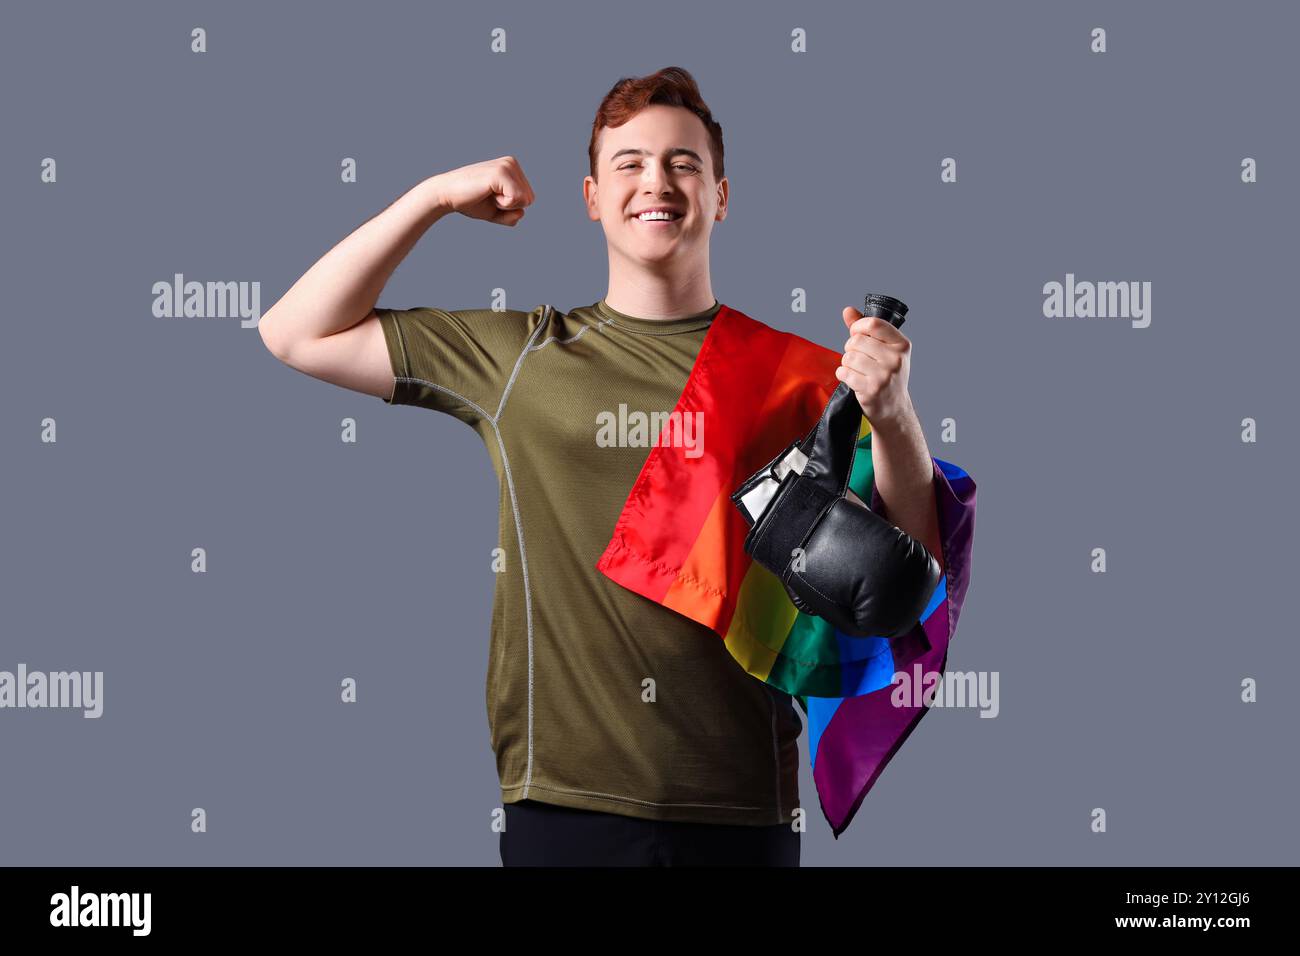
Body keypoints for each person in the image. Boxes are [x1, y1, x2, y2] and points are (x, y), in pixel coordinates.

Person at [257, 66, 940, 866]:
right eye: (631, 163)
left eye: (684, 163)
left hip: (743, 804)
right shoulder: (520, 356)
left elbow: (911, 580)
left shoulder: (804, 378)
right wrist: (433, 197)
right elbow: (296, 332)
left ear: (722, 195)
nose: (658, 181)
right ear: (591, 196)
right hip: (561, 799)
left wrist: (892, 415)